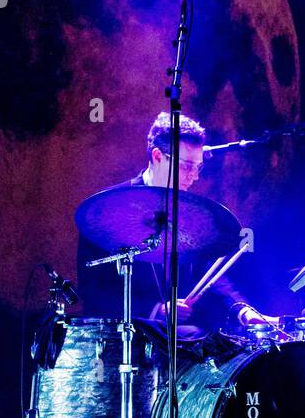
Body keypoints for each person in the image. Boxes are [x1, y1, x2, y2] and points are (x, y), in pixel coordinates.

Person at [77, 112, 272, 334]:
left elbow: (208, 273)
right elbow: (92, 290)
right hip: (121, 339)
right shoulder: (108, 209)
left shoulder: (191, 212)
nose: (194, 176)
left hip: (176, 341)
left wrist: (243, 310)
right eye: (186, 166)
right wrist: (154, 310)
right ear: (158, 156)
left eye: (198, 167)